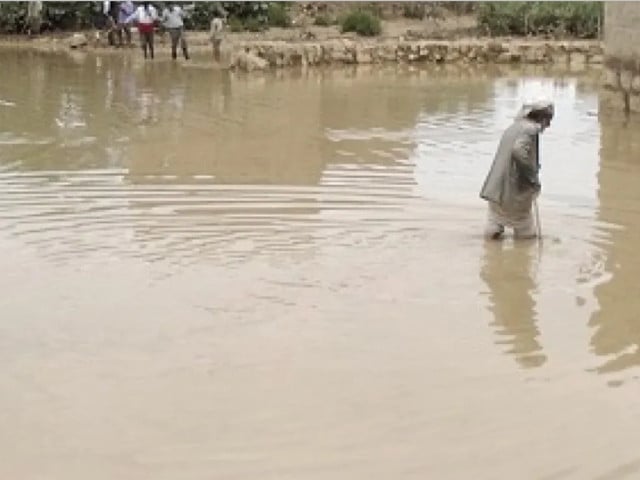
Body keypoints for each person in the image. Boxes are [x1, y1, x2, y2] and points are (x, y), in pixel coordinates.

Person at [479, 100, 554, 240]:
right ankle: (522, 256)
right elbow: (518, 151)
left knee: (495, 221)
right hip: (514, 190)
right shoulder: (531, 129)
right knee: (526, 232)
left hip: (496, 188)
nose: (548, 125)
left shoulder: (514, 127)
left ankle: (491, 252)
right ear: (542, 118)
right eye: (548, 120)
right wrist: (532, 176)